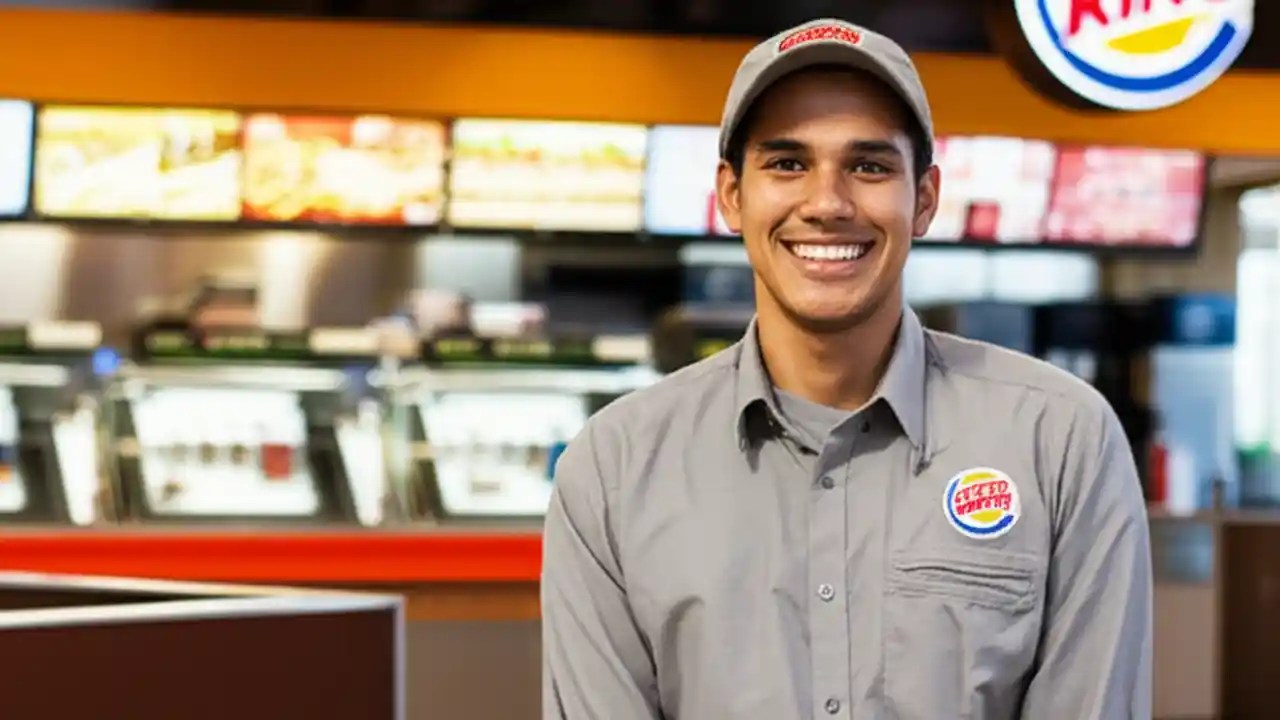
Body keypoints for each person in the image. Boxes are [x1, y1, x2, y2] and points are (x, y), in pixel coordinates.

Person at [541, 17, 1152, 720]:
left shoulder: (1061, 439)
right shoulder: (615, 467)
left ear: (923, 199)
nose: (827, 204)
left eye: (868, 166)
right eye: (787, 163)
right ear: (732, 197)